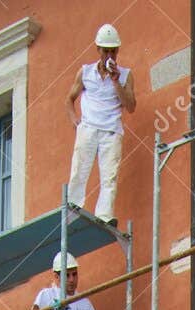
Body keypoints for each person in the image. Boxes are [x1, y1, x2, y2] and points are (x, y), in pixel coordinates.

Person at [66, 25, 136, 226]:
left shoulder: (125, 75)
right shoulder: (85, 72)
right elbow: (69, 99)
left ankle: (104, 214)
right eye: (106, 50)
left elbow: (130, 106)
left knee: (109, 176)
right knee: (79, 168)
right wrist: (74, 120)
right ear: (98, 50)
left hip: (111, 131)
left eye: (113, 50)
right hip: (88, 127)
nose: (109, 54)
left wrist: (116, 82)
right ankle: (72, 208)